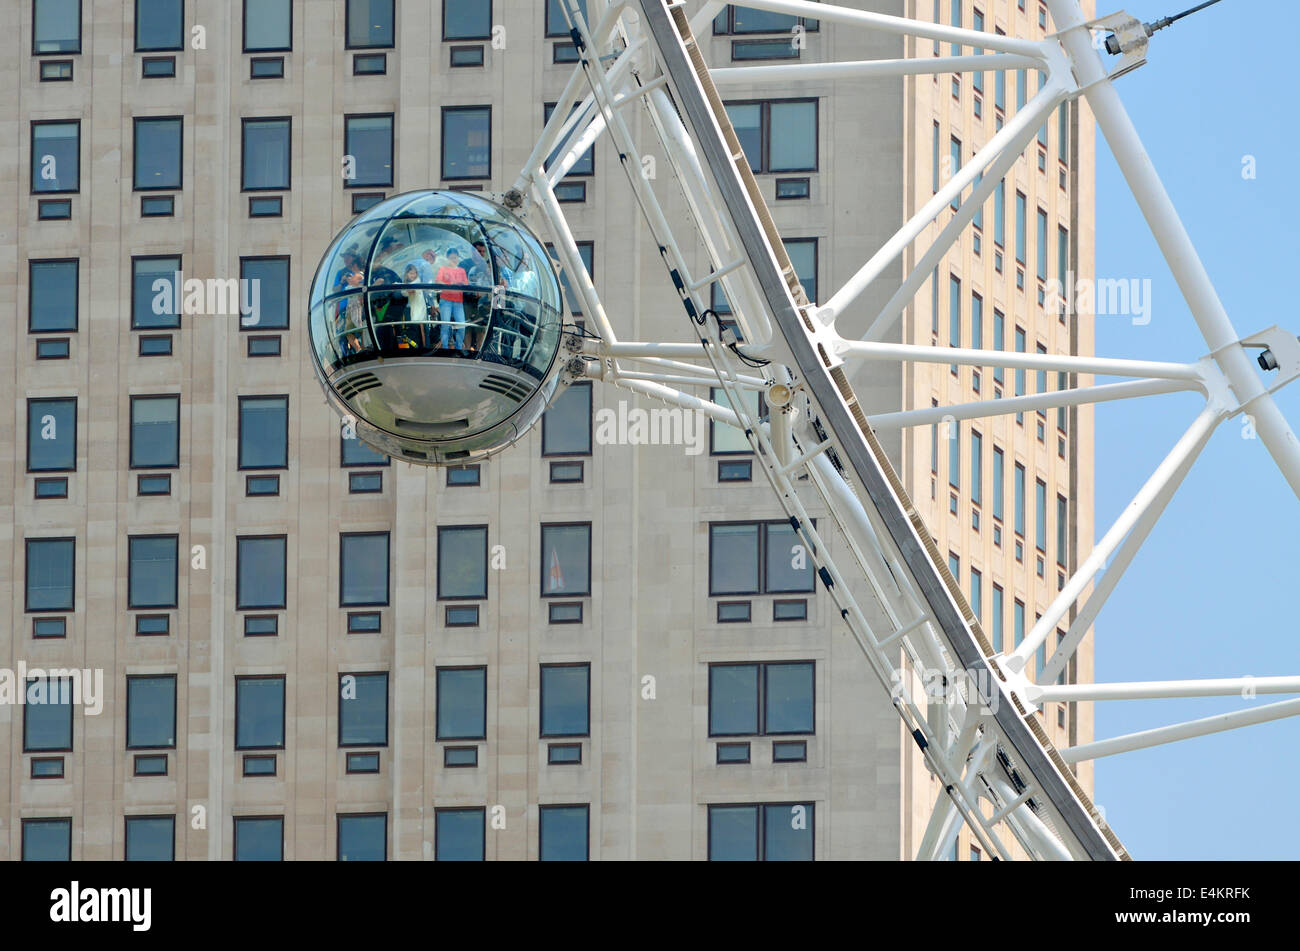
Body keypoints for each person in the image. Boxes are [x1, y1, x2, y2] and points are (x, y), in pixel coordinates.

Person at [435, 250, 470, 352]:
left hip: (458, 301)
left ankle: (458, 348)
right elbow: (438, 281)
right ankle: (445, 349)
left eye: (455, 257)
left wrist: (458, 284)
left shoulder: (461, 270)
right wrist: (452, 284)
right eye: (451, 258)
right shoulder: (443, 269)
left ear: (458, 258)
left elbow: (466, 284)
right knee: (445, 325)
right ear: (447, 258)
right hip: (445, 300)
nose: (454, 260)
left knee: (461, 326)